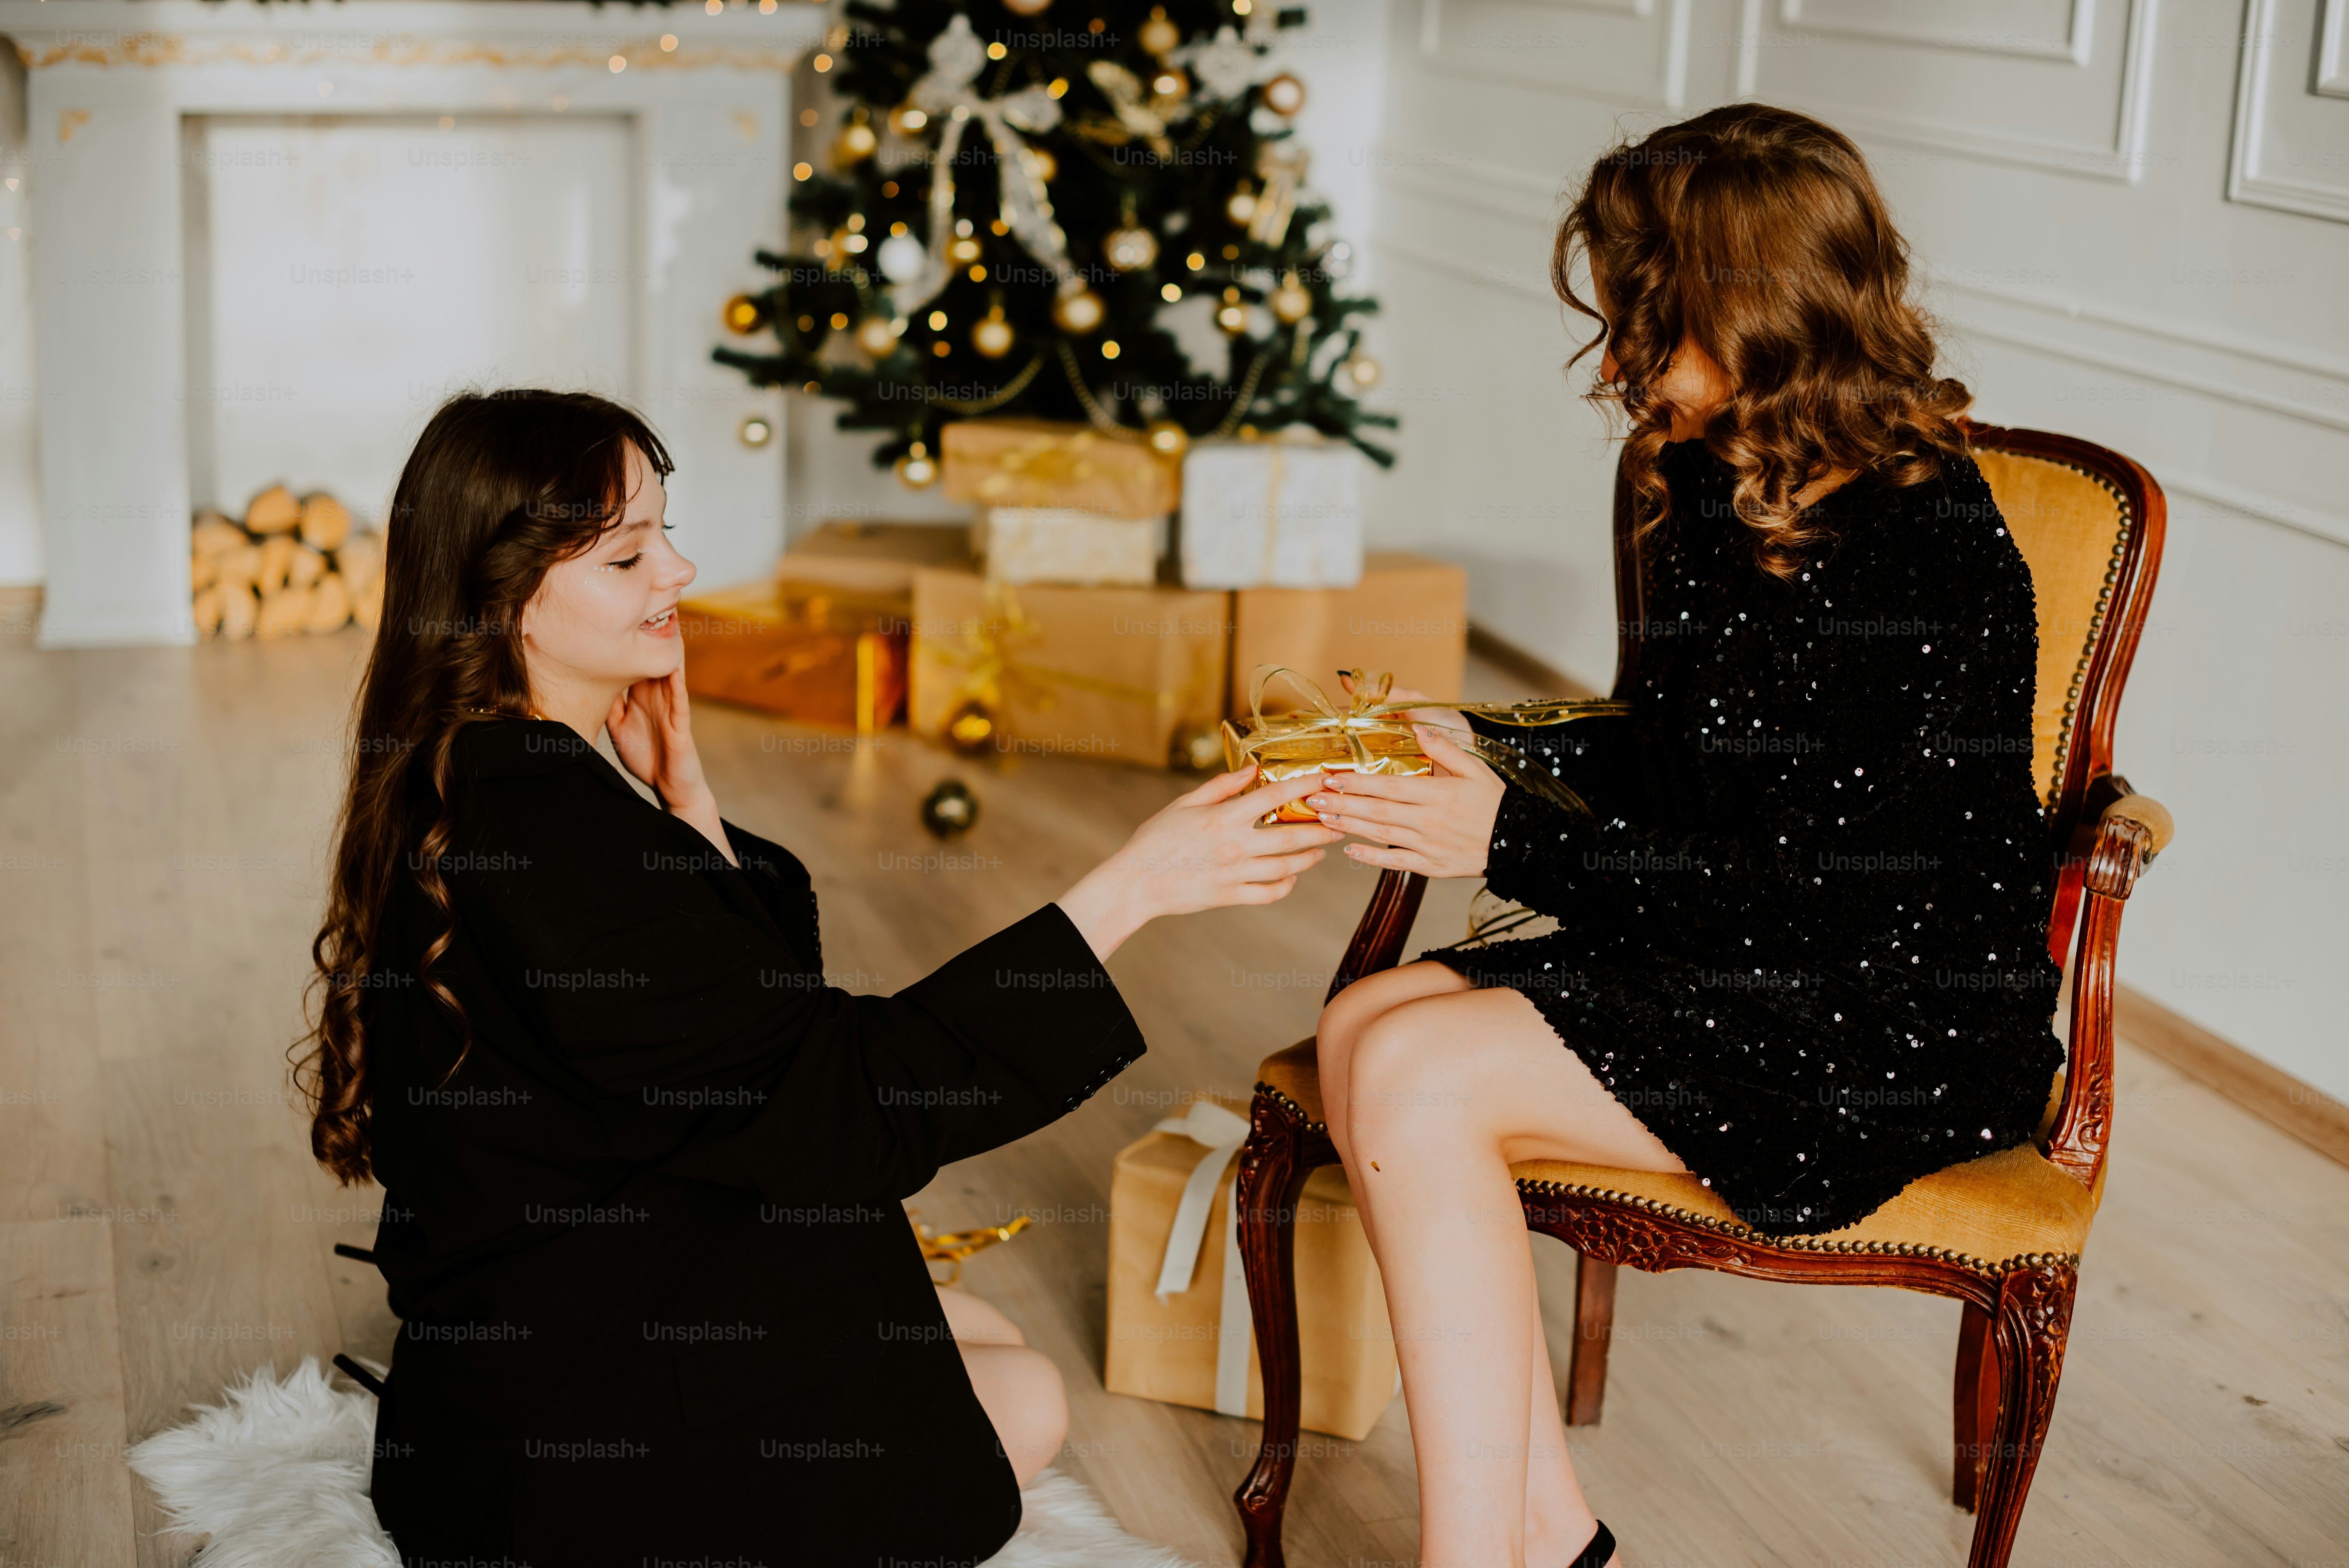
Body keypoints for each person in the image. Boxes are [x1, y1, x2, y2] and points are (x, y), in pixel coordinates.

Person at [294, 390, 1342, 1566]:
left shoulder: (487, 770)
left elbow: (739, 1038)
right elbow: (845, 1103)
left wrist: (688, 814)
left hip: (546, 1341)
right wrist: (1137, 886)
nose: (681, 572)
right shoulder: (541, 823)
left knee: (980, 1333)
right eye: (631, 553)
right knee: (1026, 1401)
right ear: (507, 595)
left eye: (667, 532)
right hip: (571, 1447)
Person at [1299, 105, 2066, 1568]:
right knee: (1365, 1031)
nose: (1617, 362)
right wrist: (1490, 751)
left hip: (1888, 1016)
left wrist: (1509, 839)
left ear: (1760, 311)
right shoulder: (1720, 474)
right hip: (1747, 953)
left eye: (1650, 320)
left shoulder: (1925, 544)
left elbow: (1830, 891)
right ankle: (1553, 1545)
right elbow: (1682, 756)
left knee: (1405, 1063)